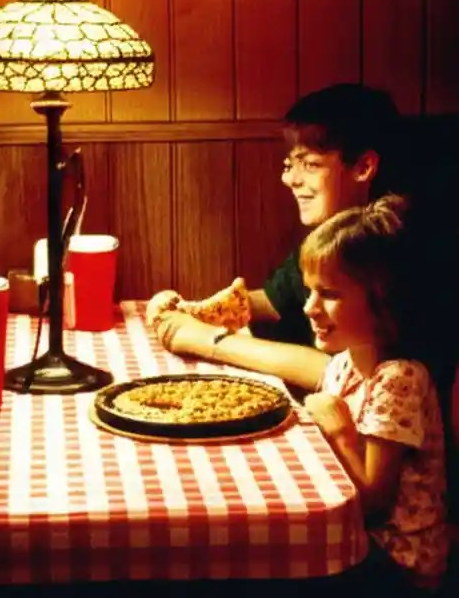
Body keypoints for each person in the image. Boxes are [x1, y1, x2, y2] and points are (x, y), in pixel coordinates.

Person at [155, 84, 408, 391]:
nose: (290, 179)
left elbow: (346, 375)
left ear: (364, 167)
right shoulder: (330, 235)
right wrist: (189, 310)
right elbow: (274, 300)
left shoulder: (388, 246)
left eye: (311, 165)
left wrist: (210, 341)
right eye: (290, 165)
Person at [299, 195, 447, 598]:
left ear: (382, 301)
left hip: (396, 564)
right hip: (354, 540)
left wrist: (341, 429)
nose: (310, 307)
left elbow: (375, 503)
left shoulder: (399, 378)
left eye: (328, 293)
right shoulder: (343, 364)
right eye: (310, 290)